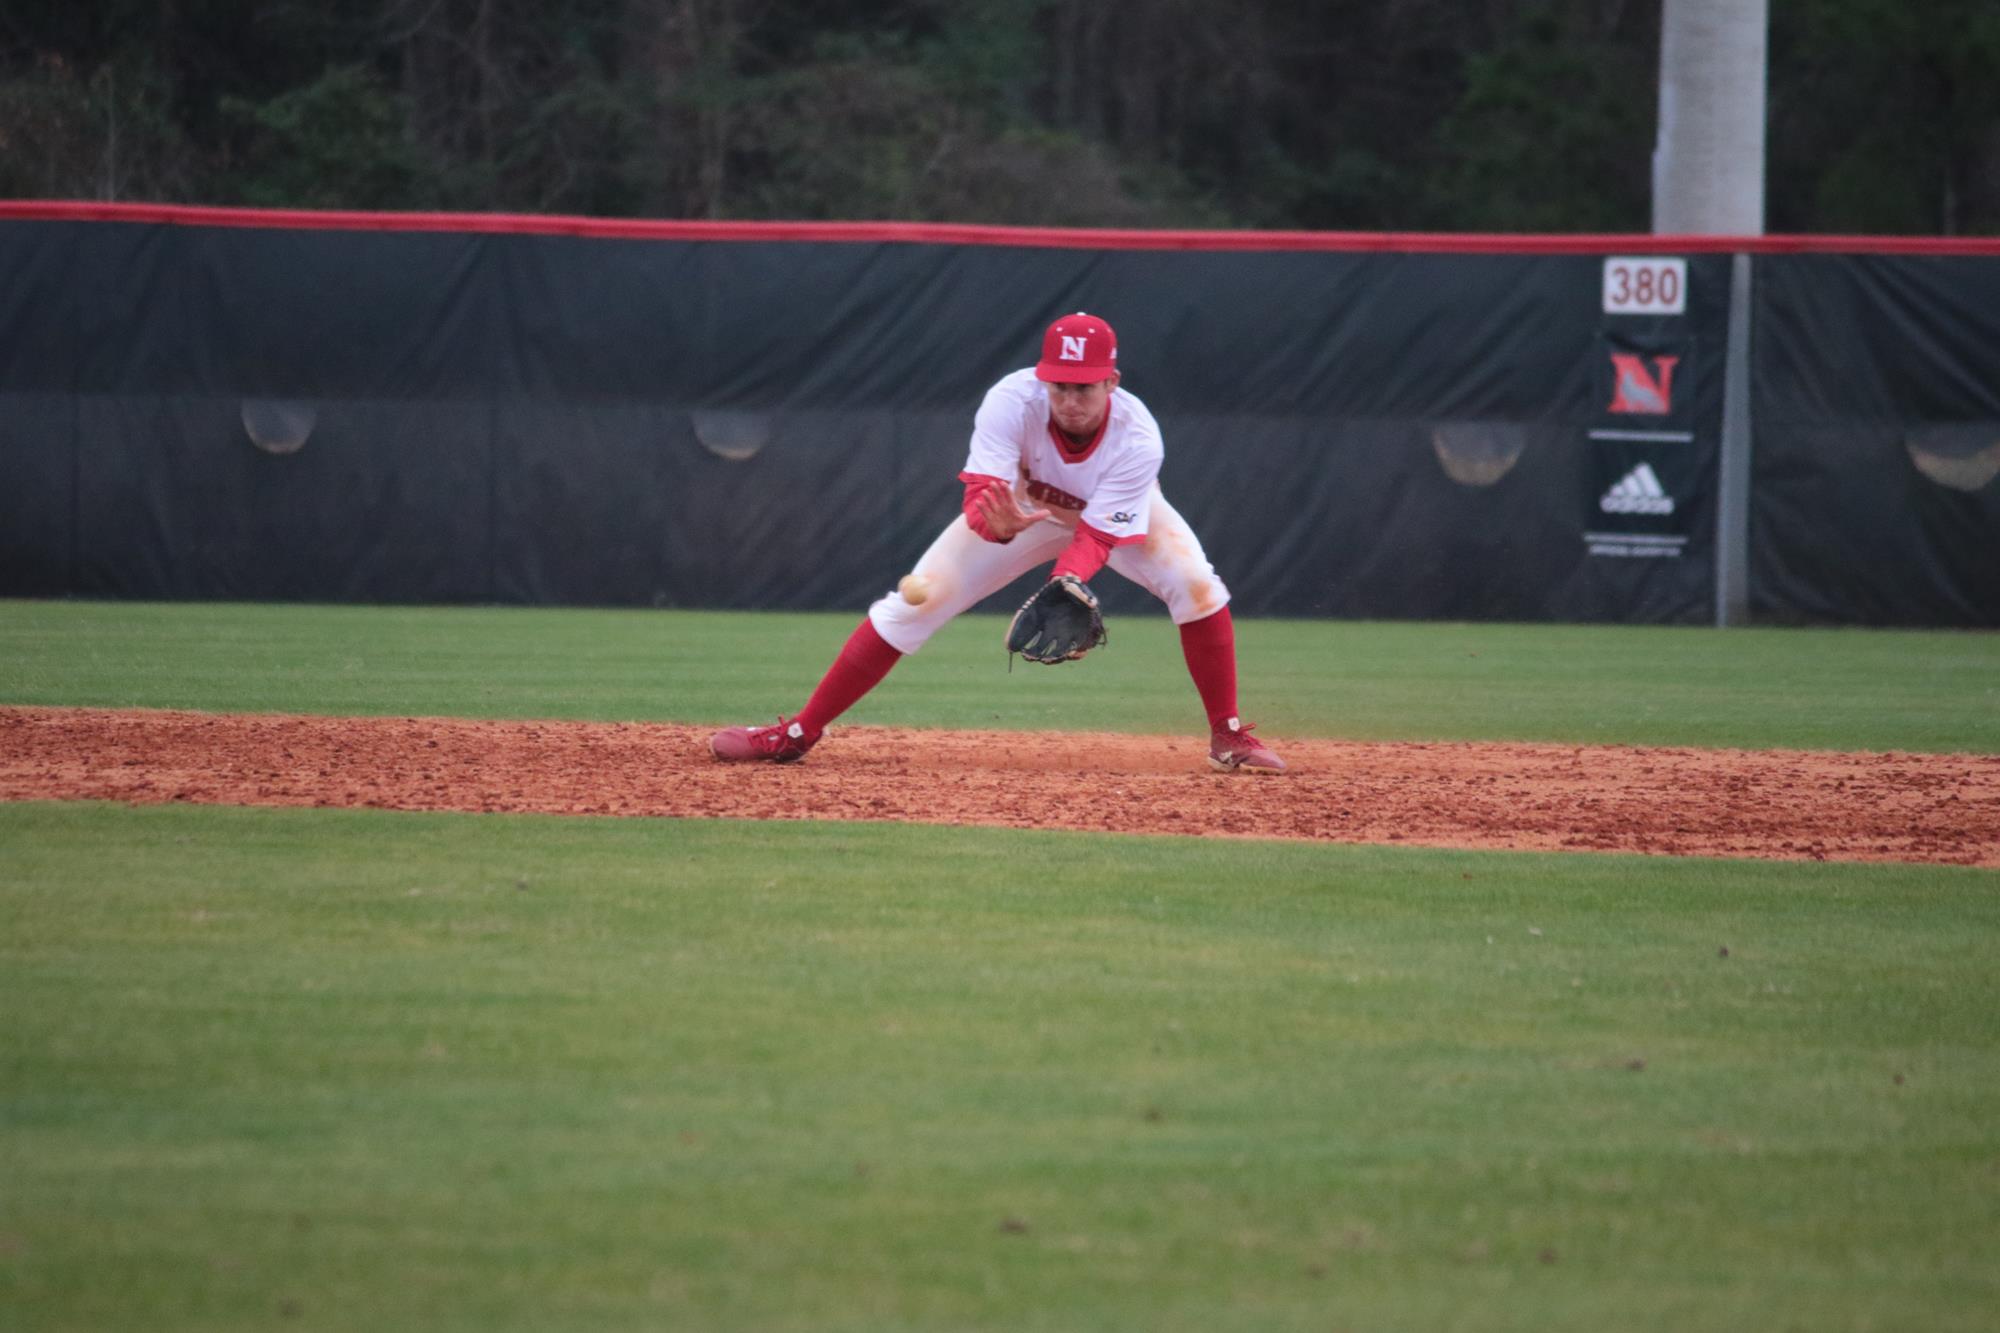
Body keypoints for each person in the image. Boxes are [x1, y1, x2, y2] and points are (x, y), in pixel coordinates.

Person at [709, 311, 1286, 774]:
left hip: (1108, 519)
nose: (1070, 400)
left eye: (1084, 387)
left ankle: (1227, 736)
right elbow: (982, 498)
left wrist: (1066, 579)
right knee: (919, 596)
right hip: (1024, 511)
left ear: (1113, 381)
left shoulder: (1138, 440)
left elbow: (1096, 536)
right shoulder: (1011, 400)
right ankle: (799, 732)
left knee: (1196, 585)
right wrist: (995, 527)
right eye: (1059, 385)